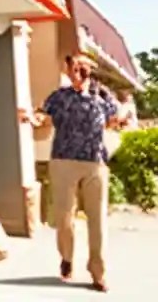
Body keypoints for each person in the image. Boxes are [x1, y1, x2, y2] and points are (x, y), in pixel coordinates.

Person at [18, 54, 127, 292]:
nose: (76, 72)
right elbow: (43, 117)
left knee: (97, 220)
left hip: (95, 162)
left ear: (89, 70)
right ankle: (66, 258)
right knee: (65, 218)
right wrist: (31, 119)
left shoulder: (103, 95)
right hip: (63, 161)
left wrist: (119, 121)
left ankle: (98, 273)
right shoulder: (60, 97)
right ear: (68, 71)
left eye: (81, 67)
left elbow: (111, 121)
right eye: (72, 68)